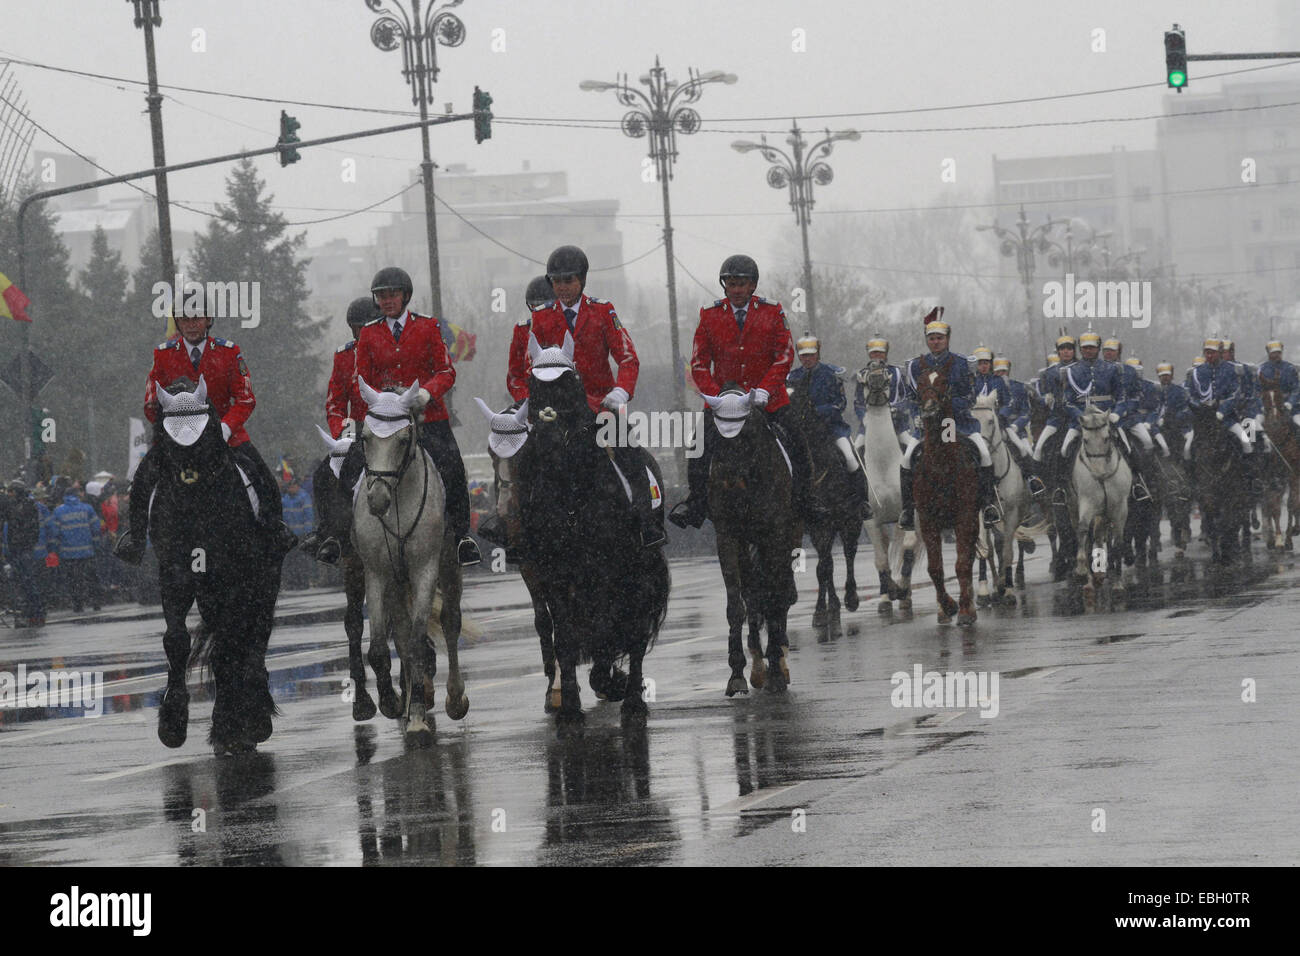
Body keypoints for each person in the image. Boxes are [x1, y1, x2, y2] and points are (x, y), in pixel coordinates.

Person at [115, 290, 297, 564]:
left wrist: (223, 428)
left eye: (196, 317)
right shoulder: (162, 355)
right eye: (184, 318)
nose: (190, 323)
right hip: (177, 443)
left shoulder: (229, 351)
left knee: (265, 480)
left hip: (226, 436)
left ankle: (274, 532)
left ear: (208, 319)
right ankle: (136, 540)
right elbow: (151, 403)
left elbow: (245, 399)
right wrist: (174, 434)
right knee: (141, 480)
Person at [506, 248, 663, 548]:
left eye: (569, 280)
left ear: (582, 280)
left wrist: (620, 392)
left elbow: (628, 358)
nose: (562, 287)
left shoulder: (603, 312)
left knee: (629, 452)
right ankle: (520, 531)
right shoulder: (540, 318)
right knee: (524, 460)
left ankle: (646, 524)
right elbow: (529, 369)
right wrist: (534, 405)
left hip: (600, 406)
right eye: (557, 281)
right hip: (557, 411)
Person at [668, 254, 825, 529]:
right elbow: (699, 363)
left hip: (768, 400)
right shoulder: (709, 314)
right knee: (697, 446)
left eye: (741, 284)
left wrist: (765, 389)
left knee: (798, 443)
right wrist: (716, 396)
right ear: (724, 285)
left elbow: (784, 355)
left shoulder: (772, 312)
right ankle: (695, 503)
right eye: (731, 283)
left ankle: (805, 500)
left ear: (752, 286)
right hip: (721, 402)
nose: (736, 289)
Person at [346, 266, 481, 566]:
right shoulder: (368, 333)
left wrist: (425, 394)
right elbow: (360, 380)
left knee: (452, 465)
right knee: (349, 467)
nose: (387, 300)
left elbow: (447, 371)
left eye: (392, 294)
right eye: (381, 296)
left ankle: (462, 537)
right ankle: (341, 537)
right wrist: (381, 400)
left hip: (427, 417)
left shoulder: (428, 327)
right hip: (385, 422)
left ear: (405, 296)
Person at [897, 307, 1001, 530]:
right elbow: (910, 397)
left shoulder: (962, 363)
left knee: (983, 454)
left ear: (947, 339)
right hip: (926, 426)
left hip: (958, 423)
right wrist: (918, 415)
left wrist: (945, 407)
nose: (935, 342)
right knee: (906, 459)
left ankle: (988, 504)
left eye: (940, 338)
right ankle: (908, 509)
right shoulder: (916, 365)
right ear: (927, 340)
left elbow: (969, 397)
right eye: (932, 338)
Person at [301, 296, 377, 564]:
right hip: (357, 432)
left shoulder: (391, 353)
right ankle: (330, 534)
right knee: (324, 474)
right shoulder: (345, 356)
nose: (362, 334)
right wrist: (342, 434)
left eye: (368, 327)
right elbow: (335, 402)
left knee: (442, 461)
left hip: (392, 430)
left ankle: (455, 532)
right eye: (358, 329)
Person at [787, 332, 872, 519]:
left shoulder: (832, 374)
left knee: (851, 459)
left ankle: (862, 502)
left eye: (811, 354)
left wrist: (816, 412)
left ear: (818, 354)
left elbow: (840, 404)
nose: (807, 359)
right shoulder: (791, 378)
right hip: (802, 432)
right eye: (803, 355)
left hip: (831, 429)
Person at [1188, 336, 1263, 493]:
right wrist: (1200, 408)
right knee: (1189, 447)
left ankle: (1252, 479)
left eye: (1213, 353)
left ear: (1220, 353)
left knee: (1246, 440)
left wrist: (1222, 412)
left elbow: (1235, 394)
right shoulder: (1197, 372)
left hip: (1227, 419)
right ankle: (1191, 483)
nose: (1209, 356)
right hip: (1204, 420)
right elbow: (1191, 395)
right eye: (1207, 352)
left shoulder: (1231, 370)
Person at [992, 355, 1047, 497]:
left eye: (1003, 371)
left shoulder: (1019, 387)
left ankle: (1032, 480)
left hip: (1018, 430)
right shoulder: (991, 388)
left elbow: (1026, 412)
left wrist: (1017, 425)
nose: (1001, 374)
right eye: (998, 372)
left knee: (1026, 450)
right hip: (997, 428)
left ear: (1008, 371)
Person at [853, 334, 914, 444]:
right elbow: (858, 402)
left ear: (886, 354)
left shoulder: (897, 372)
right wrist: (864, 416)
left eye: (880, 352)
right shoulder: (862, 374)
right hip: (870, 424)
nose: (877, 355)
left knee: (911, 447)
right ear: (869, 354)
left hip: (896, 424)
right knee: (855, 450)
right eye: (873, 352)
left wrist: (895, 409)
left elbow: (907, 397)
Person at [49, 487, 102, 613]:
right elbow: (96, 528)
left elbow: (54, 533)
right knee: (91, 577)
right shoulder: (87, 508)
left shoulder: (58, 511)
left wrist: (54, 549)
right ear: (77, 495)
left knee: (73, 580)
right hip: (87, 551)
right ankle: (96, 602)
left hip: (68, 553)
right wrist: (96, 545)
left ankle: (78, 604)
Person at [2, 479, 45, 626]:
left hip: (21, 549)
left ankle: (34, 613)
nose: (9, 495)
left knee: (26, 582)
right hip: (21, 548)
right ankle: (33, 613)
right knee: (25, 581)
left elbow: (24, 528)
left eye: (11, 492)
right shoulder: (27, 506)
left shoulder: (22, 507)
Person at [1259, 340, 1300, 436]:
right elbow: (1257, 391)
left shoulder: (1289, 368)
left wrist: (1290, 403)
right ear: (1269, 354)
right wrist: (1261, 405)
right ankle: (1252, 450)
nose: (1276, 355)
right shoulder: (1262, 369)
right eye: (1274, 353)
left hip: (1288, 407)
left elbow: (1296, 389)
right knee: (1249, 427)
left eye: (1278, 353)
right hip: (1267, 407)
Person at [280, 477, 315, 589]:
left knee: (301, 560)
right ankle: (293, 582)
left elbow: (308, 516)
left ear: (297, 486)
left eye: (292, 486)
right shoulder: (285, 500)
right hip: (290, 535)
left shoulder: (304, 497)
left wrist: (308, 533)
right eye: (289, 487)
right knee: (291, 560)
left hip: (301, 534)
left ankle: (303, 582)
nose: (291, 489)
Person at [1156, 362, 1193, 459]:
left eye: (1167, 375)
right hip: (1157, 425)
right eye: (1162, 376)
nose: (1165, 378)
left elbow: (1183, 409)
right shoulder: (1155, 390)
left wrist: (1168, 419)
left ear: (1171, 376)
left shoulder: (1179, 391)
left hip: (1175, 425)